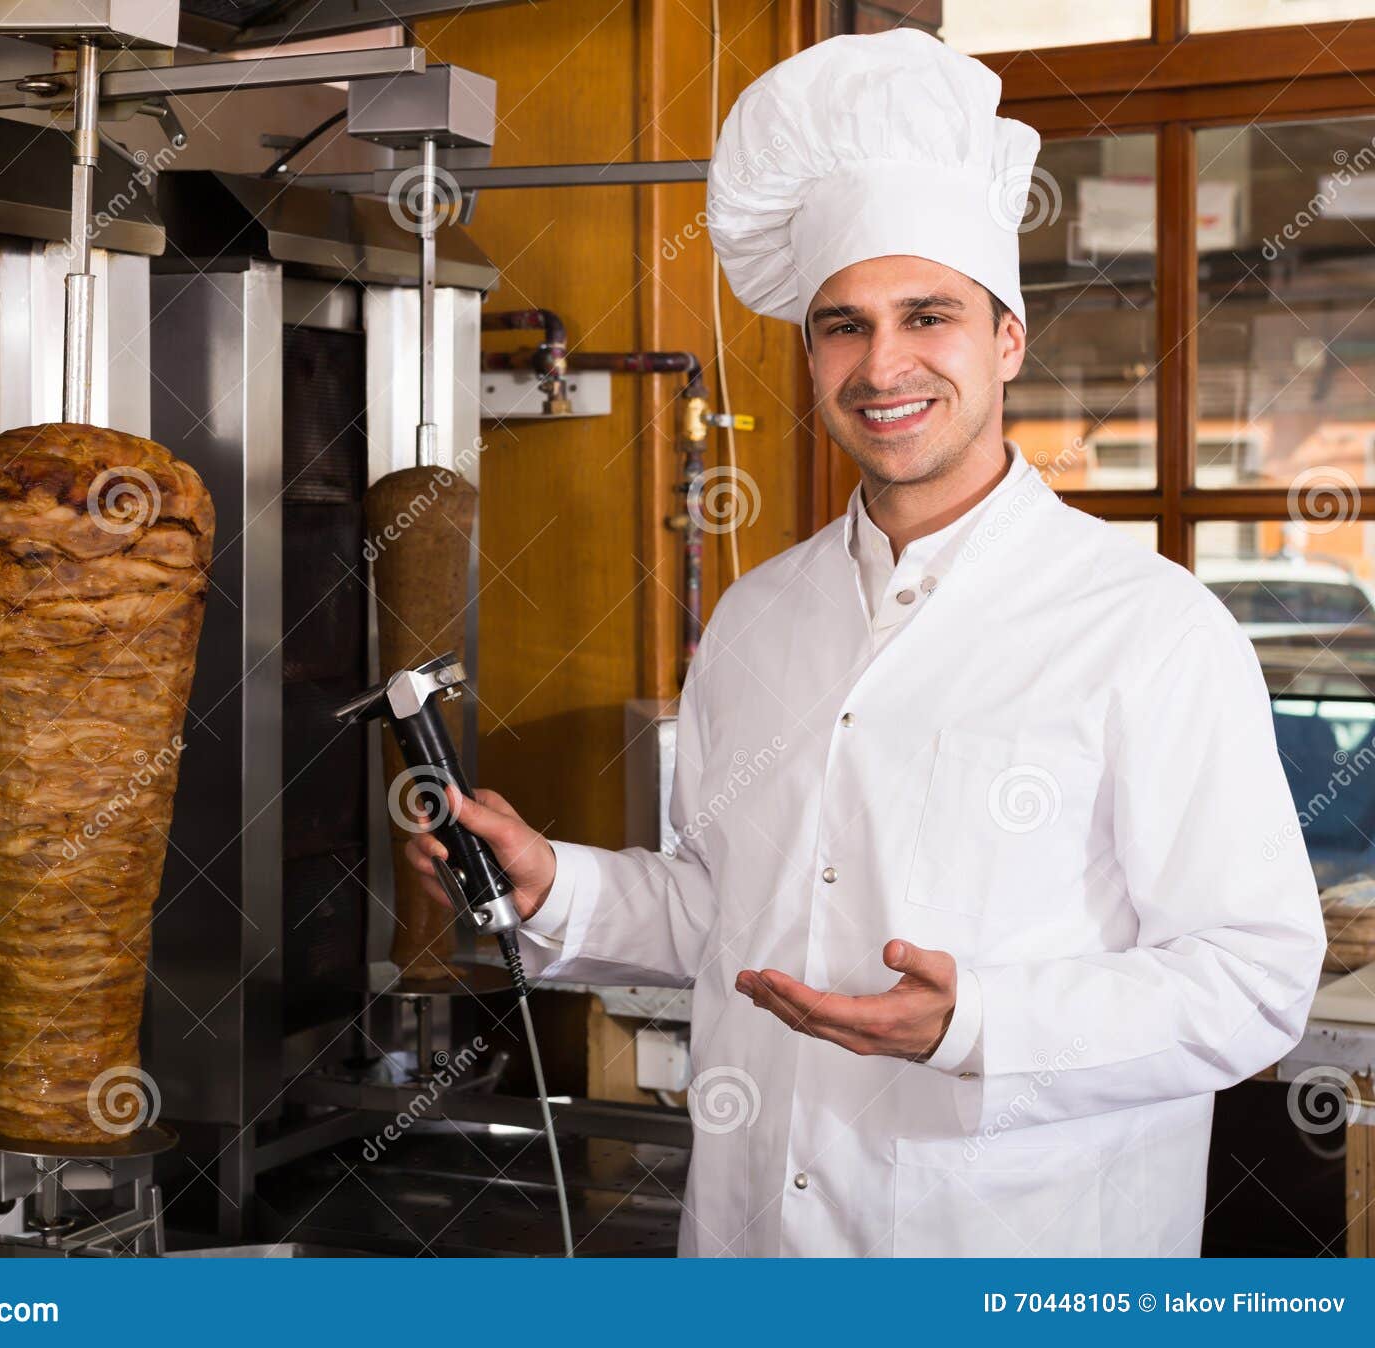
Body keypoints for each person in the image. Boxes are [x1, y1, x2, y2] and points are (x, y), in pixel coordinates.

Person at [403, 27, 1326, 1257]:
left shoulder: (1148, 627)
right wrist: (553, 883)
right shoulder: (760, 615)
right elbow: (731, 913)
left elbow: (1255, 980)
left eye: (927, 315)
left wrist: (978, 1022)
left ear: (1005, 339)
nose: (881, 364)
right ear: (809, 349)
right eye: (844, 325)